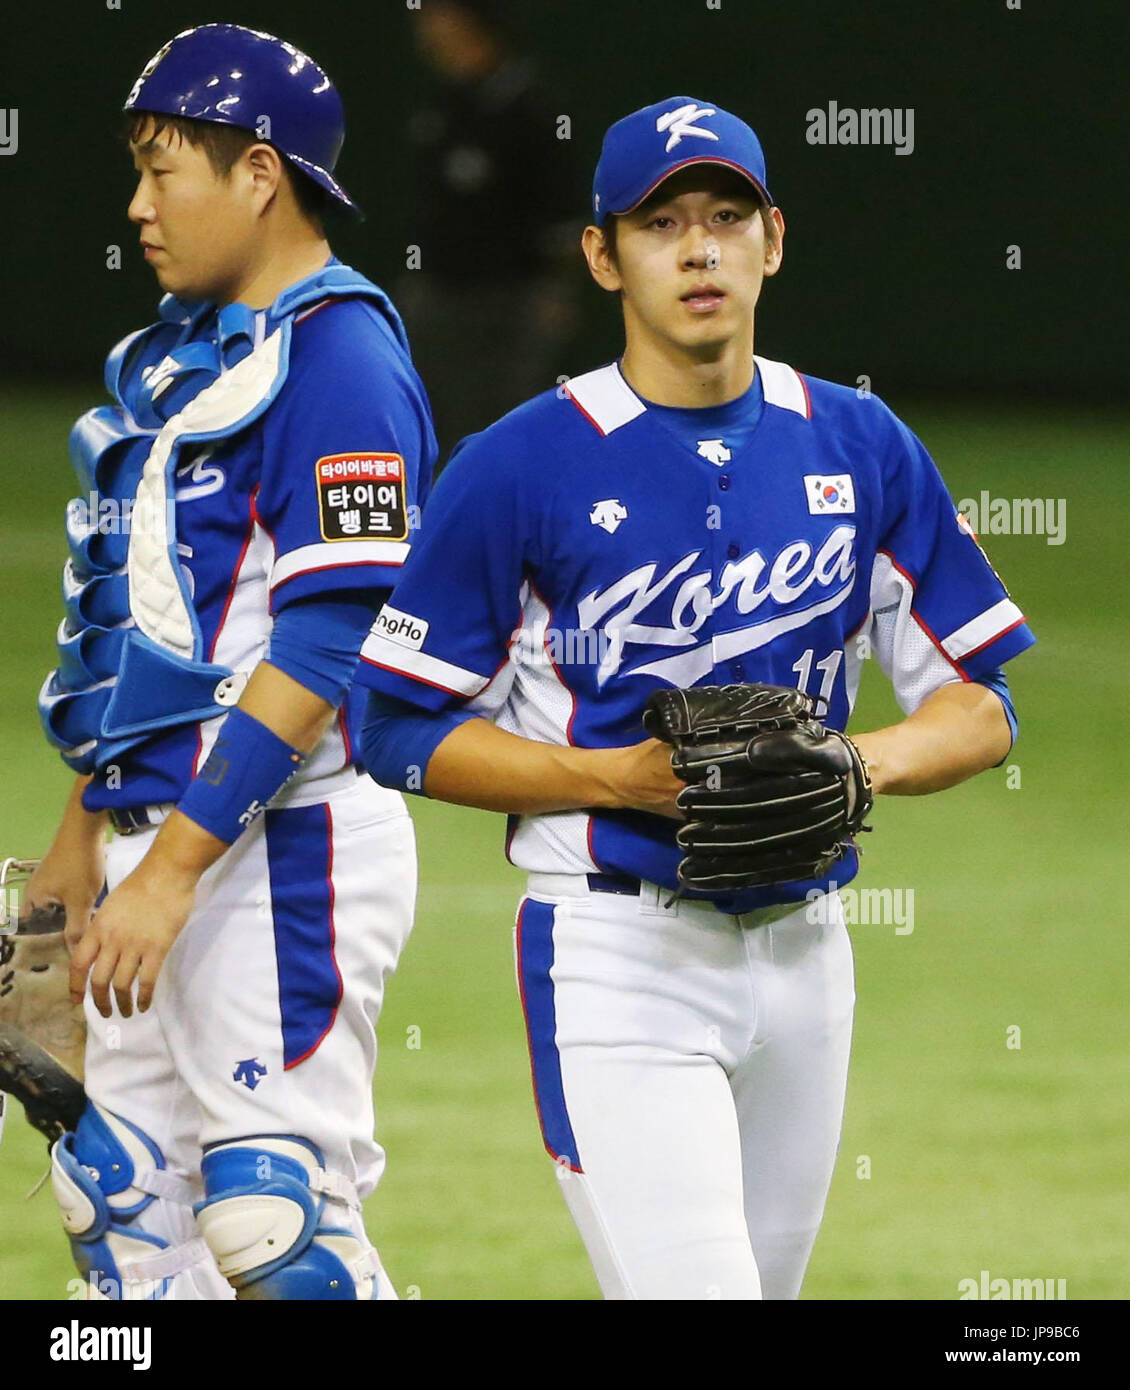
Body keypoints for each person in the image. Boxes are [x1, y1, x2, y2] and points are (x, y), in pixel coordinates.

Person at [354, 96, 1036, 1301]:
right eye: (660, 223)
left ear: (772, 237)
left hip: (807, 954)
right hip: (618, 950)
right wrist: (612, 779)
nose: (699, 248)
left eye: (725, 216)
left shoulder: (859, 443)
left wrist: (852, 769)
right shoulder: (517, 464)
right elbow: (392, 725)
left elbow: (978, 707)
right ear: (602, 256)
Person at [28, 23, 436, 1300]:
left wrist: (176, 873)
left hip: (284, 849)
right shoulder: (191, 355)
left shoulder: (343, 359)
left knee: (277, 1225)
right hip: (159, 844)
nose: (138, 207)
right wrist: (86, 836)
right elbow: (145, 644)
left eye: (165, 171)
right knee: (122, 1208)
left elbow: (330, 638)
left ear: (259, 174)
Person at [397, 0, 586, 457]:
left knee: (508, 434)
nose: (427, 27)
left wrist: (554, 297)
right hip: (439, 302)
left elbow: (564, 220)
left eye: (440, 15)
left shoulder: (534, 110)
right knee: (435, 429)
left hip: (512, 308)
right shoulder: (438, 107)